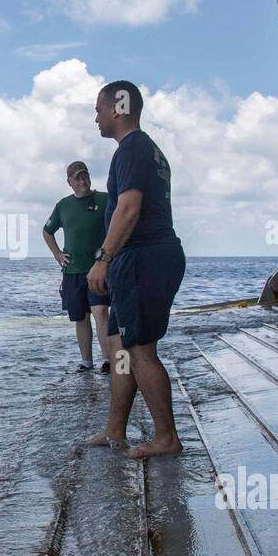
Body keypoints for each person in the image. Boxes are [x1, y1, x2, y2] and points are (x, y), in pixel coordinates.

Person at [84, 81, 186, 459]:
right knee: (120, 347)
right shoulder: (147, 150)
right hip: (140, 260)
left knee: (141, 349)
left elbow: (129, 208)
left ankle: (166, 437)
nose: (95, 117)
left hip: (144, 258)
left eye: (98, 109)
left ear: (118, 108)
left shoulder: (132, 149)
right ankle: (115, 428)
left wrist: (103, 259)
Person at [44, 161, 113, 373]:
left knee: (100, 311)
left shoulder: (105, 199)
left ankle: (109, 360)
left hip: (99, 268)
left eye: (85, 176)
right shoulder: (63, 205)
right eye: (77, 178)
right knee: (80, 317)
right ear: (70, 182)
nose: (82, 181)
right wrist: (57, 253)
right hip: (72, 271)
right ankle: (86, 362)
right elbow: (47, 231)